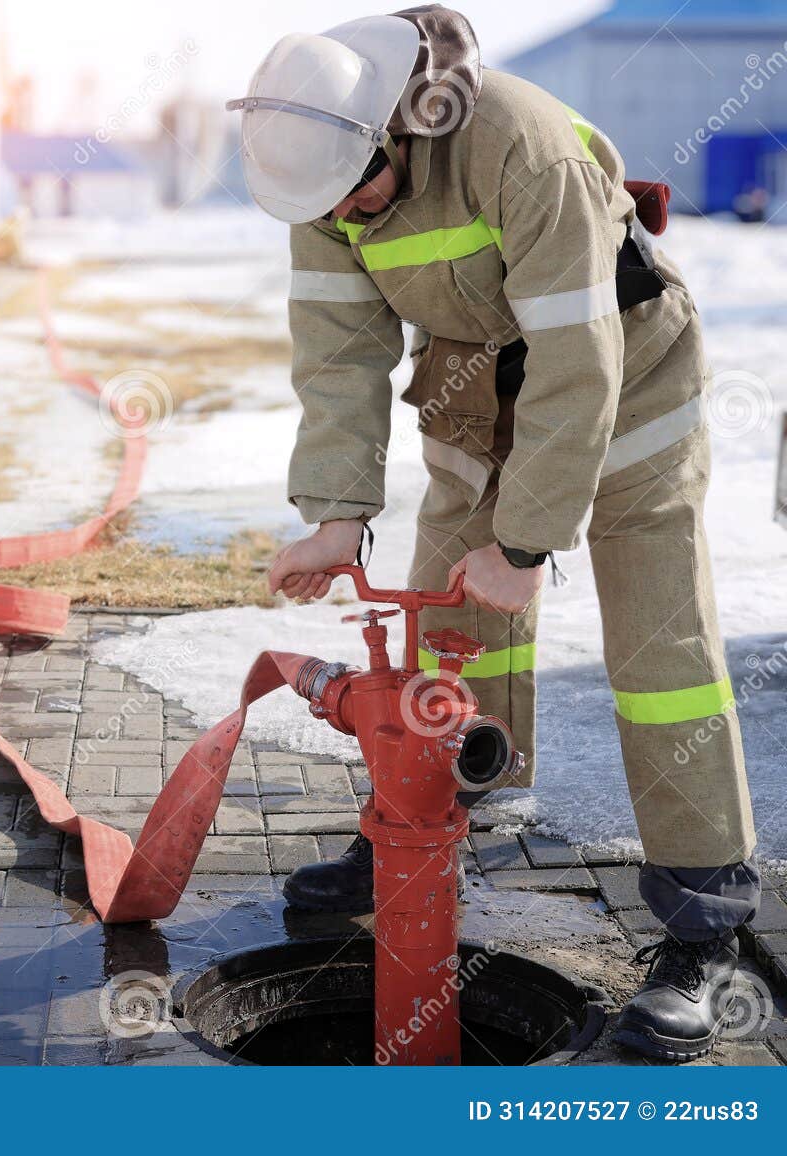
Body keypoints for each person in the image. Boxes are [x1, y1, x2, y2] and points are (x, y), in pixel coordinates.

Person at [227, 4, 759, 1060]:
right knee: (445, 611)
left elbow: (579, 358)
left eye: (359, 195)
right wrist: (336, 515)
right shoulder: (321, 174)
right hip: (479, 393)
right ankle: (445, 802)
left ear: (396, 128)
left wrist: (525, 544)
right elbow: (337, 354)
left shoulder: (518, 144)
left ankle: (704, 922)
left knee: (662, 656)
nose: (348, 217)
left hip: (626, 383)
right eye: (327, 210)